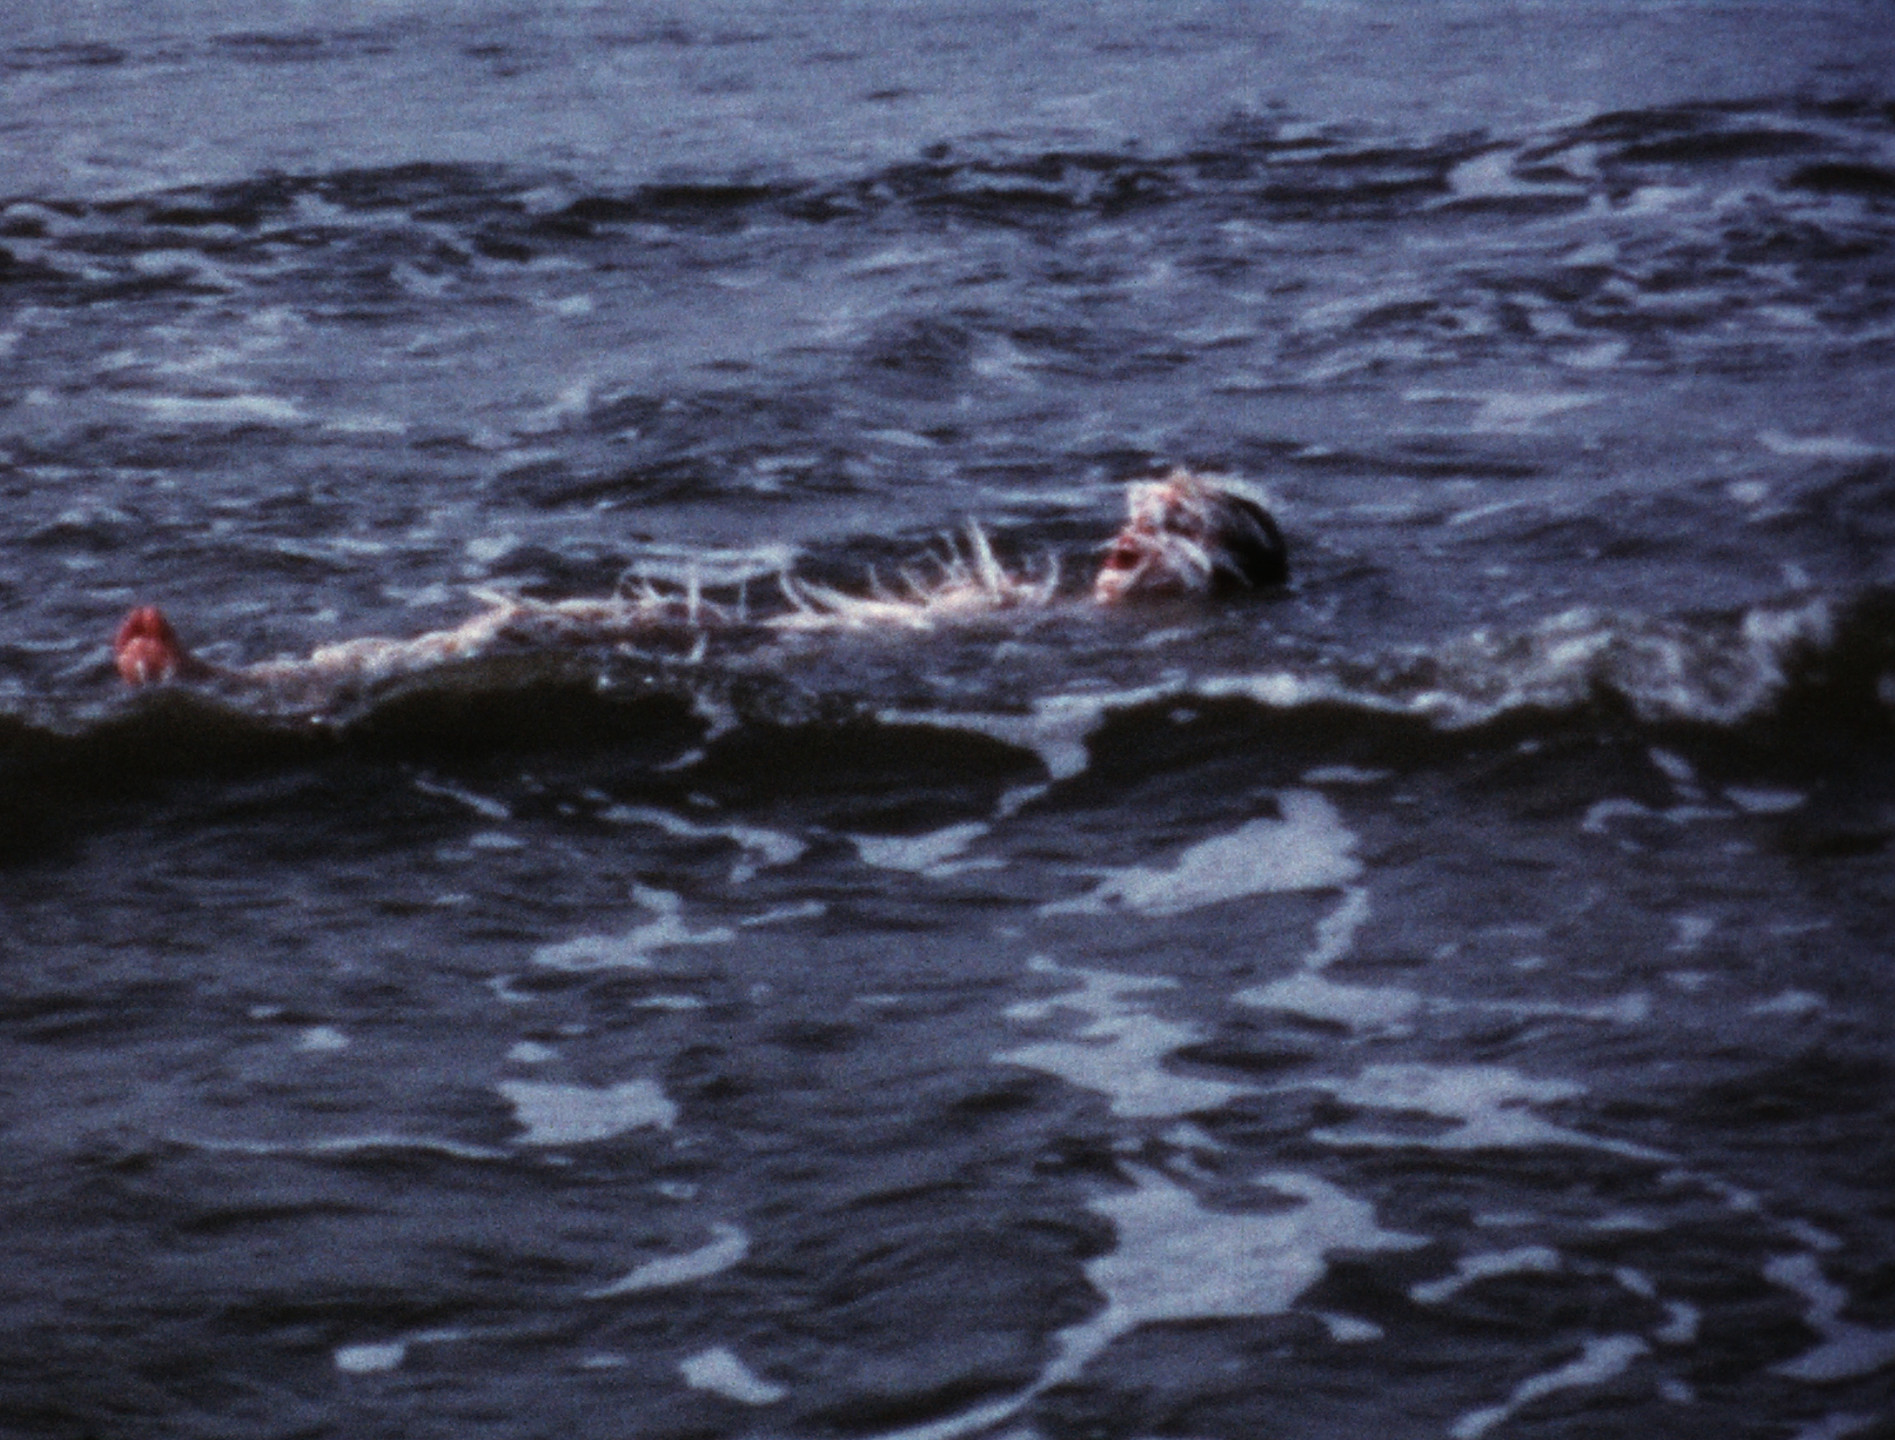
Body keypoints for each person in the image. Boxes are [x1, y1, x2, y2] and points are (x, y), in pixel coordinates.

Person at [113, 470, 1288, 691]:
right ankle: (255, 678)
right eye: (1130, 518)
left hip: (783, 655)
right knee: (534, 622)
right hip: (777, 643)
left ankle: (240, 682)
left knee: (532, 628)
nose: (1123, 538)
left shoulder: (1105, 653)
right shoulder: (1055, 613)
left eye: (1164, 527)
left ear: (1214, 572)